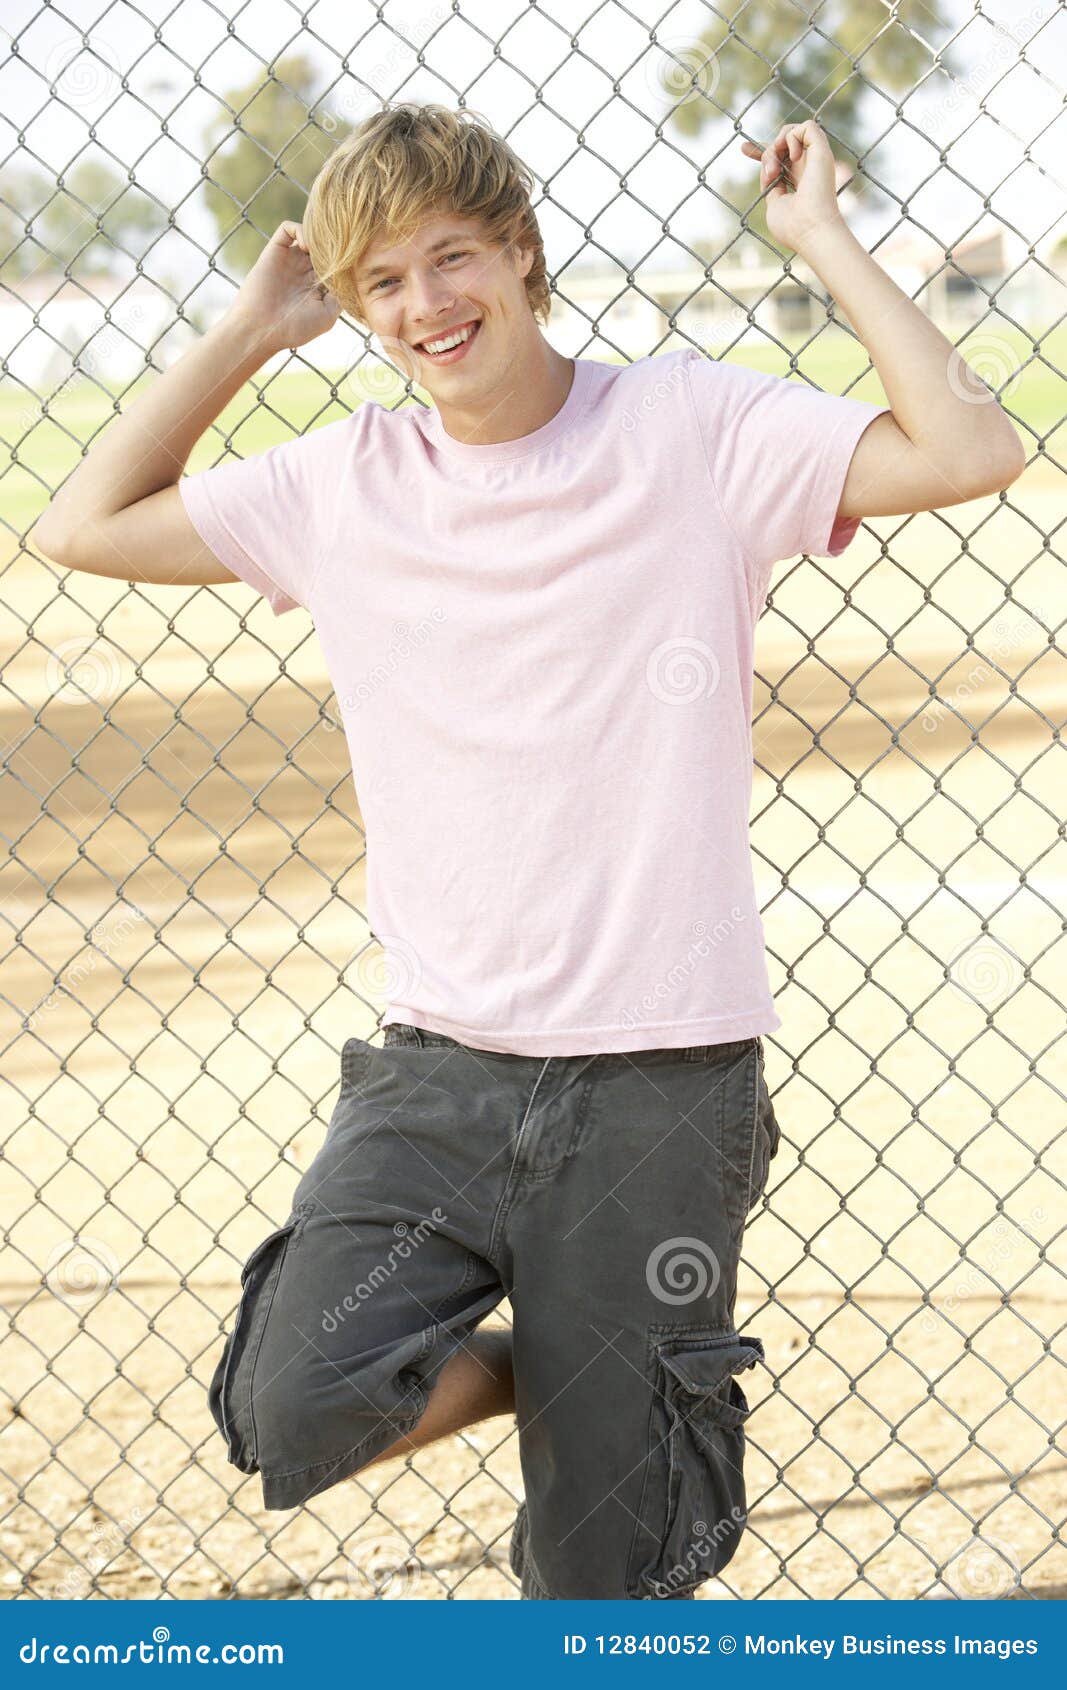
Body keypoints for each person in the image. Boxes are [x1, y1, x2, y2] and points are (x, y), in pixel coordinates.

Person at [31, 102, 1024, 1601]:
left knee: (603, 1579)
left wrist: (821, 238)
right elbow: (80, 524)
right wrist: (248, 333)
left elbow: (971, 447)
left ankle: (602, 1374)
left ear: (521, 251)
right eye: (382, 281)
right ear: (356, 308)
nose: (425, 304)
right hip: (441, 1071)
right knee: (295, 1400)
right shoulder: (340, 485)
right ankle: (559, 1359)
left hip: (658, 1076)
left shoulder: (690, 429)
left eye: (452, 257)